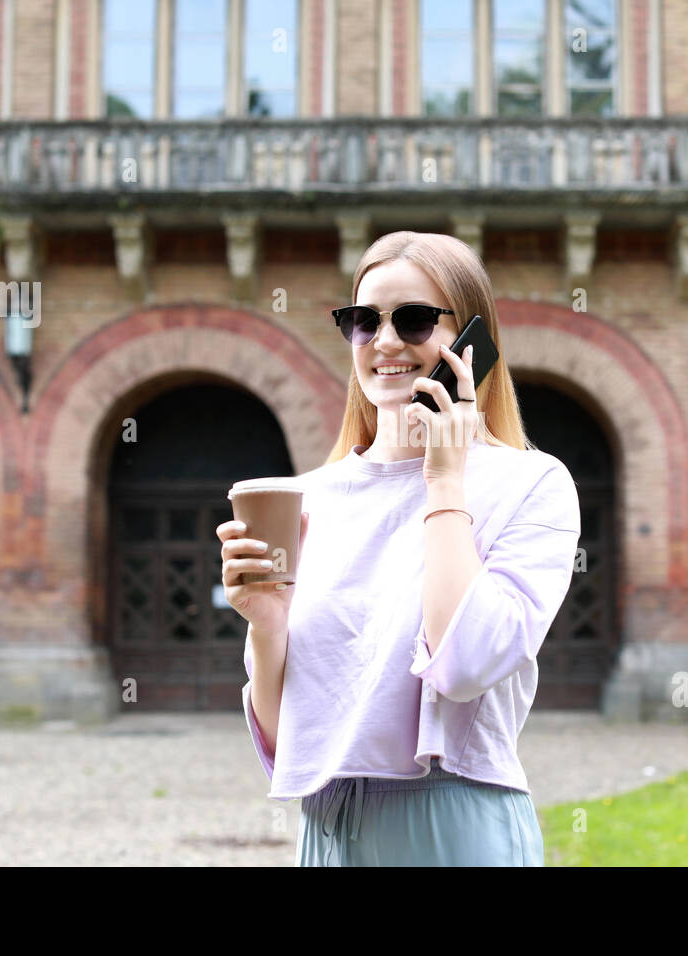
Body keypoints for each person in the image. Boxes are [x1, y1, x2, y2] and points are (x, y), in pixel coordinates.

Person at [218, 230, 581, 866]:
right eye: (362, 321)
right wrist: (267, 625)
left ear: (472, 341)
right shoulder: (306, 499)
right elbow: (290, 740)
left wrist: (445, 478)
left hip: (450, 825)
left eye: (413, 320)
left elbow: (466, 663)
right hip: (325, 830)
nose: (385, 342)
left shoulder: (531, 484)